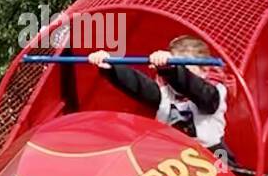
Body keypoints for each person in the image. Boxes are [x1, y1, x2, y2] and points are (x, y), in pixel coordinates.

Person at [87, 35, 232, 164]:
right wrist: (110, 66)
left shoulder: (214, 91)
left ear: (204, 70)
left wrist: (172, 69)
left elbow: (200, 93)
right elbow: (139, 85)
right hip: (174, 163)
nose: (174, 78)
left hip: (212, 157)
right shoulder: (164, 93)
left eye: (185, 68)